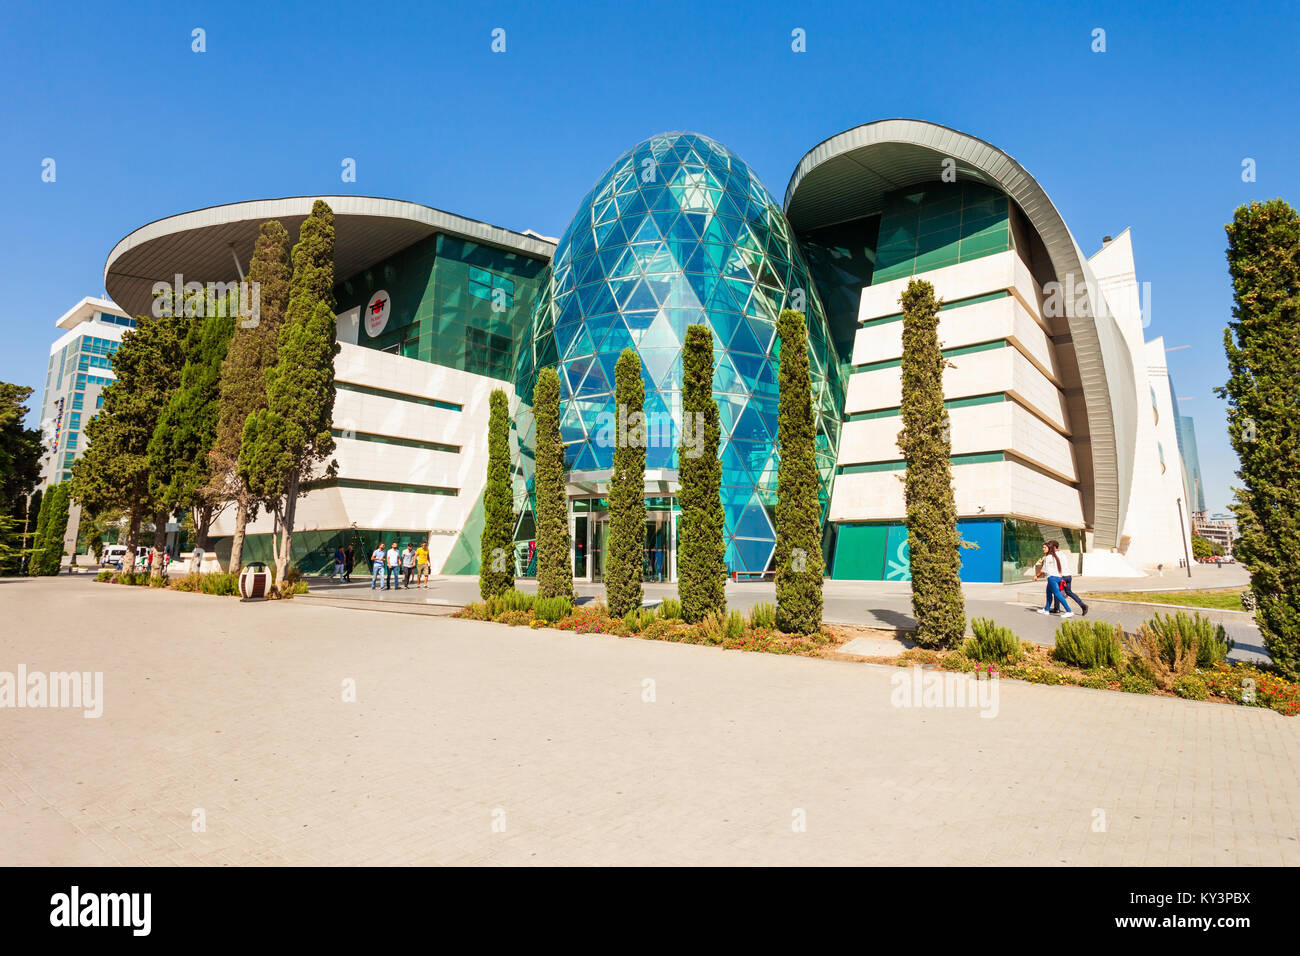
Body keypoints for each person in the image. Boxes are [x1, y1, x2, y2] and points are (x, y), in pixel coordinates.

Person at [1034, 540, 1073, 618]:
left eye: (1045, 547)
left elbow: (1043, 570)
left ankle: (1069, 611)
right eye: (1043, 547)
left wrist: (1036, 576)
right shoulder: (1055, 556)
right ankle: (1046, 609)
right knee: (1048, 593)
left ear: (1049, 548)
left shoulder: (1048, 557)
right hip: (1057, 577)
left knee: (1057, 594)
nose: (1043, 549)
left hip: (1052, 578)